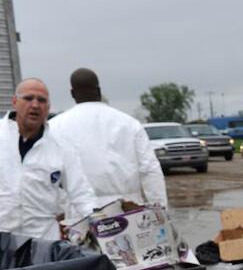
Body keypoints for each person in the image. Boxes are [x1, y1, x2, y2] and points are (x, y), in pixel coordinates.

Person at [50, 68, 167, 208]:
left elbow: (48, 176)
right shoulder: (129, 124)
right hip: (129, 211)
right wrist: (160, 211)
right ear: (99, 91)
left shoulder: (54, 127)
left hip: (79, 214)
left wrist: (60, 211)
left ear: (72, 93)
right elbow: (149, 170)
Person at [0, 78, 97, 239]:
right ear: (15, 101)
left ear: (48, 107)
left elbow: (81, 193)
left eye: (42, 100)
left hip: (42, 242)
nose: (35, 105)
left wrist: (100, 225)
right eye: (28, 98)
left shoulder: (61, 146)